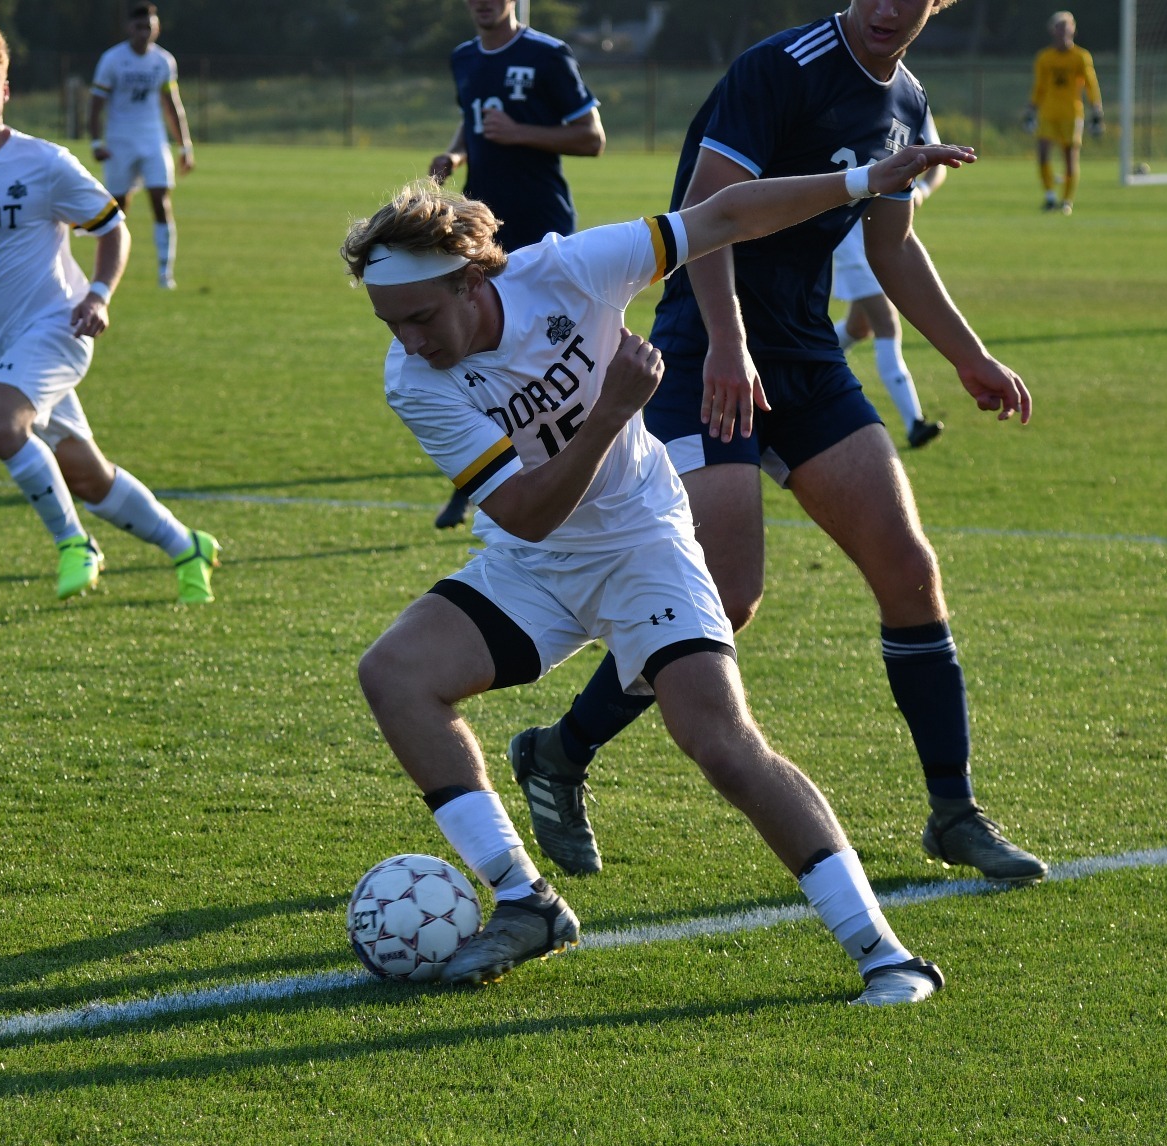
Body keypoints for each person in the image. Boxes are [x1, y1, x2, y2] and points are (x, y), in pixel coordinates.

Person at [346, 138, 975, 999]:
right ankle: (526, 900)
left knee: (719, 741)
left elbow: (725, 216)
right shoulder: (412, 381)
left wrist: (864, 181)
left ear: (469, 279)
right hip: (538, 557)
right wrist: (608, 412)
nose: (411, 345)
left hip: (645, 542)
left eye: (420, 319)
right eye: (393, 326)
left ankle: (884, 953)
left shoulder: (565, 272)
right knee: (395, 674)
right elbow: (527, 511)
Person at [508, 0, 1047, 888]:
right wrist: (726, 341)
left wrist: (969, 356)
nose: (885, 9)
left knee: (909, 568)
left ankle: (954, 813)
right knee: (728, 591)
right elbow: (705, 211)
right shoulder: (784, 67)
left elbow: (894, 245)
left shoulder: (905, 100)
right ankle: (560, 753)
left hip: (801, 356)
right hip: (702, 347)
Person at [0, 23, 219, 605]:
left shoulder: (43, 163)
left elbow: (113, 226)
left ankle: (75, 545)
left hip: (60, 327)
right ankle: (187, 544)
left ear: (5, 91)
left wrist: (98, 294)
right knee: (86, 475)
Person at [426, 0, 604, 532]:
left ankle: (592, 468)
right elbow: (473, 120)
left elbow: (592, 137)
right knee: (479, 358)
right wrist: (457, 156)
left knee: (557, 355)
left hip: (544, 235)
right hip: (482, 234)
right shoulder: (463, 57)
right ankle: (479, 481)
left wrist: (521, 132)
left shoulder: (547, 54)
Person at [833, 112, 947, 449]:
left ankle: (783, 368)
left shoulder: (909, 95)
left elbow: (936, 158)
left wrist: (922, 189)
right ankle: (914, 422)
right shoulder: (847, 90)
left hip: (884, 230)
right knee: (887, 324)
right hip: (850, 232)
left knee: (859, 328)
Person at [89, 3, 194, 289]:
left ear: (157, 28)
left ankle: (165, 274)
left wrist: (185, 145)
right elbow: (96, 104)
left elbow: (172, 105)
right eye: (139, 27)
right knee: (118, 208)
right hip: (120, 141)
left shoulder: (163, 61)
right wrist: (96, 141)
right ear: (129, 28)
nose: (144, 32)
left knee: (160, 200)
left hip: (153, 140)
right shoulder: (112, 60)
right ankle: (107, 273)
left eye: (149, 27)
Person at [1023, 11, 1103, 214]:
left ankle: (1067, 200)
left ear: (1073, 30)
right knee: (1042, 154)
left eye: (1066, 29)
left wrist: (1097, 111)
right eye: (1059, 29)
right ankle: (1050, 195)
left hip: (1071, 113)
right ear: (1053, 31)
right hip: (1049, 112)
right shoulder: (1044, 57)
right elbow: (1039, 86)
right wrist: (1031, 110)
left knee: (1070, 158)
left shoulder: (1081, 57)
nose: (1063, 34)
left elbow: (1090, 85)